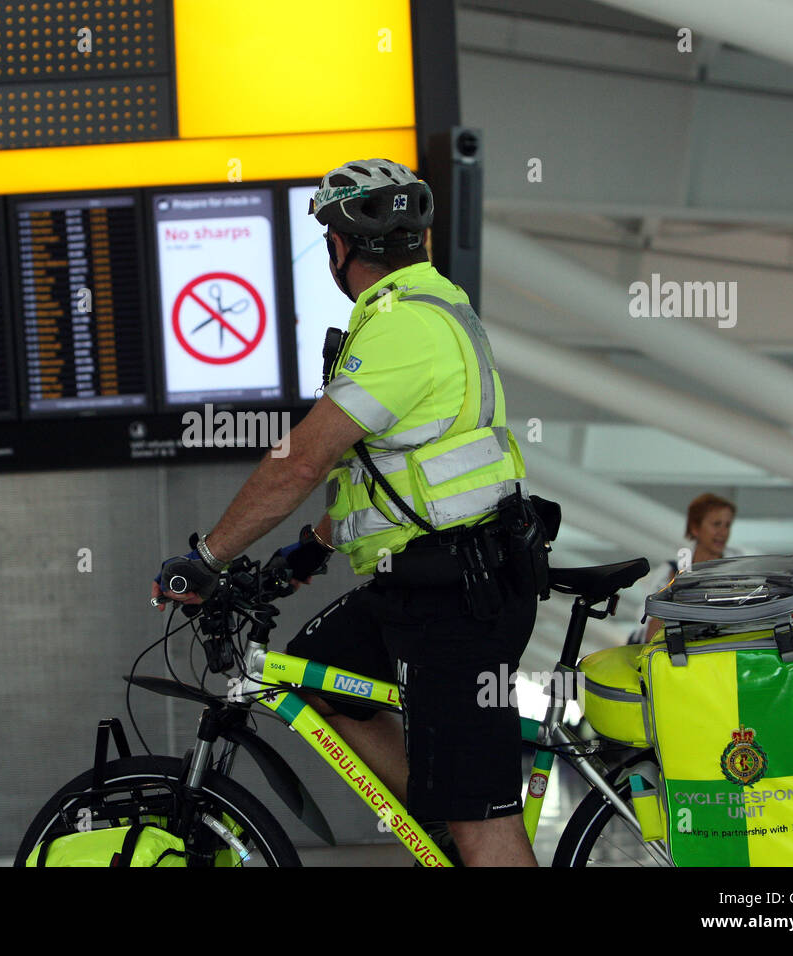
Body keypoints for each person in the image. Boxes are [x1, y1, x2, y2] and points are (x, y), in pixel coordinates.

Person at [151, 159, 549, 866]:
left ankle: (462, 827)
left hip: (458, 597)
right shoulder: (425, 306)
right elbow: (391, 468)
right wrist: (311, 549)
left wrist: (205, 559)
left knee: (480, 816)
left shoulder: (403, 328)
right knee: (313, 676)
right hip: (424, 582)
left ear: (339, 246)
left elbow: (302, 461)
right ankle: (441, 817)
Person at [634, 492, 736, 644]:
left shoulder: (737, 571)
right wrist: (672, 594)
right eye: (716, 524)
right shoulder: (669, 572)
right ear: (695, 528)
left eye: (727, 525)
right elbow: (650, 635)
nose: (723, 532)